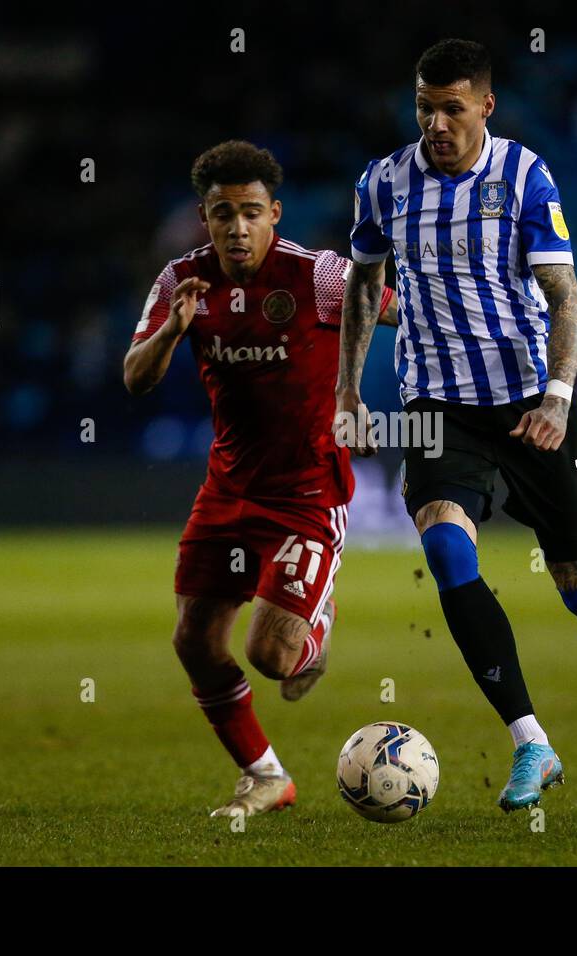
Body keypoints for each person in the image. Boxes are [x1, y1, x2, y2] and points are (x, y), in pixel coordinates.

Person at [336, 39, 577, 812]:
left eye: (452, 108)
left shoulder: (525, 175)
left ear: (485, 106)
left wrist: (557, 396)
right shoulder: (383, 182)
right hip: (437, 407)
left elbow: (565, 298)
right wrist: (348, 391)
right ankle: (533, 743)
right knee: (448, 553)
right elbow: (364, 286)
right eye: (425, 108)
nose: (435, 123)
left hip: (529, 405)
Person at [124, 141, 394, 818]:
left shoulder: (318, 276)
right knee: (193, 639)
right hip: (228, 489)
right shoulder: (181, 280)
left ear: (274, 213)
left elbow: (393, 307)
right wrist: (172, 331)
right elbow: (136, 377)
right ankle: (266, 775)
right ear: (204, 217)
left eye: (250, 212)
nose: (237, 228)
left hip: (308, 491)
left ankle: (314, 629)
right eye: (222, 214)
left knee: (272, 656)